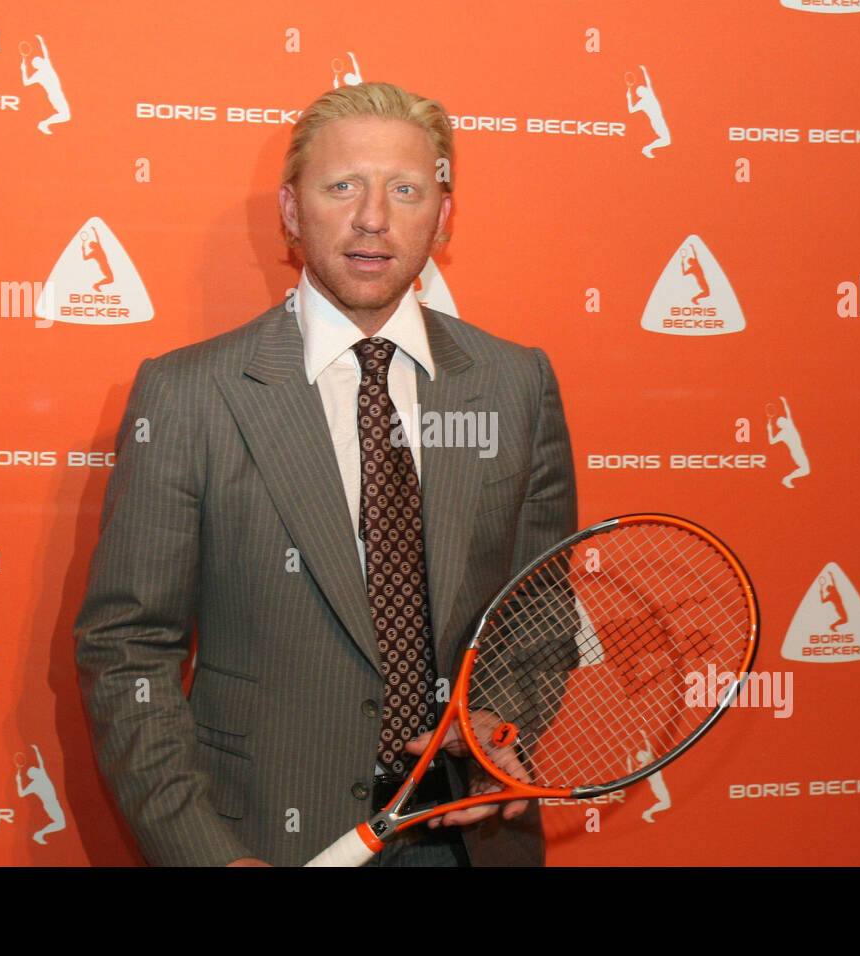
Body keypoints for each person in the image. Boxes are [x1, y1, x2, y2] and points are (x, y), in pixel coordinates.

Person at [74, 82, 577, 867]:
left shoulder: (517, 384)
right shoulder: (187, 393)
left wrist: (495, 728)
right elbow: (127, 646)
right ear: (289, 208)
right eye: (342, 186)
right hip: (262, 841)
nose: (372, 217)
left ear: (442, 217)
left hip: (473, 840)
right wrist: (208, 856)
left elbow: (539, 612)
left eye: (405, 190)